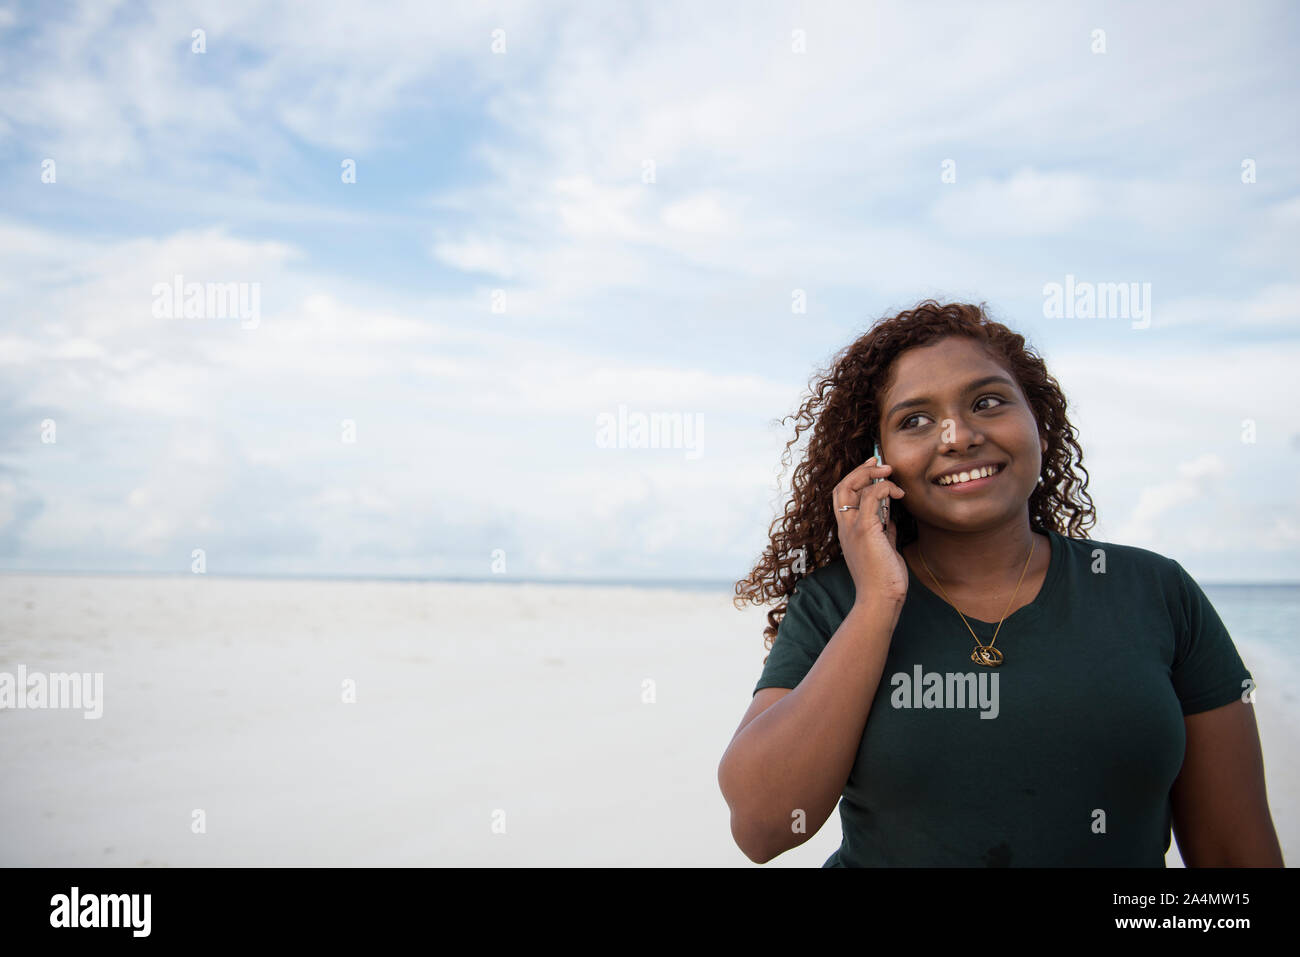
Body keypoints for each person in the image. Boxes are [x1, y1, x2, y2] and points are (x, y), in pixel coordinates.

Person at [719, 300, 1284, 867]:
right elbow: (765, 828)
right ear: (877, 458)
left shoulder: (1155, 591)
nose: (957, 436)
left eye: (987, 402)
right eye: (914, 420)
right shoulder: (837, 602)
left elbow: (1235, 852)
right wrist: (878, 603)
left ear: (1037, 420)